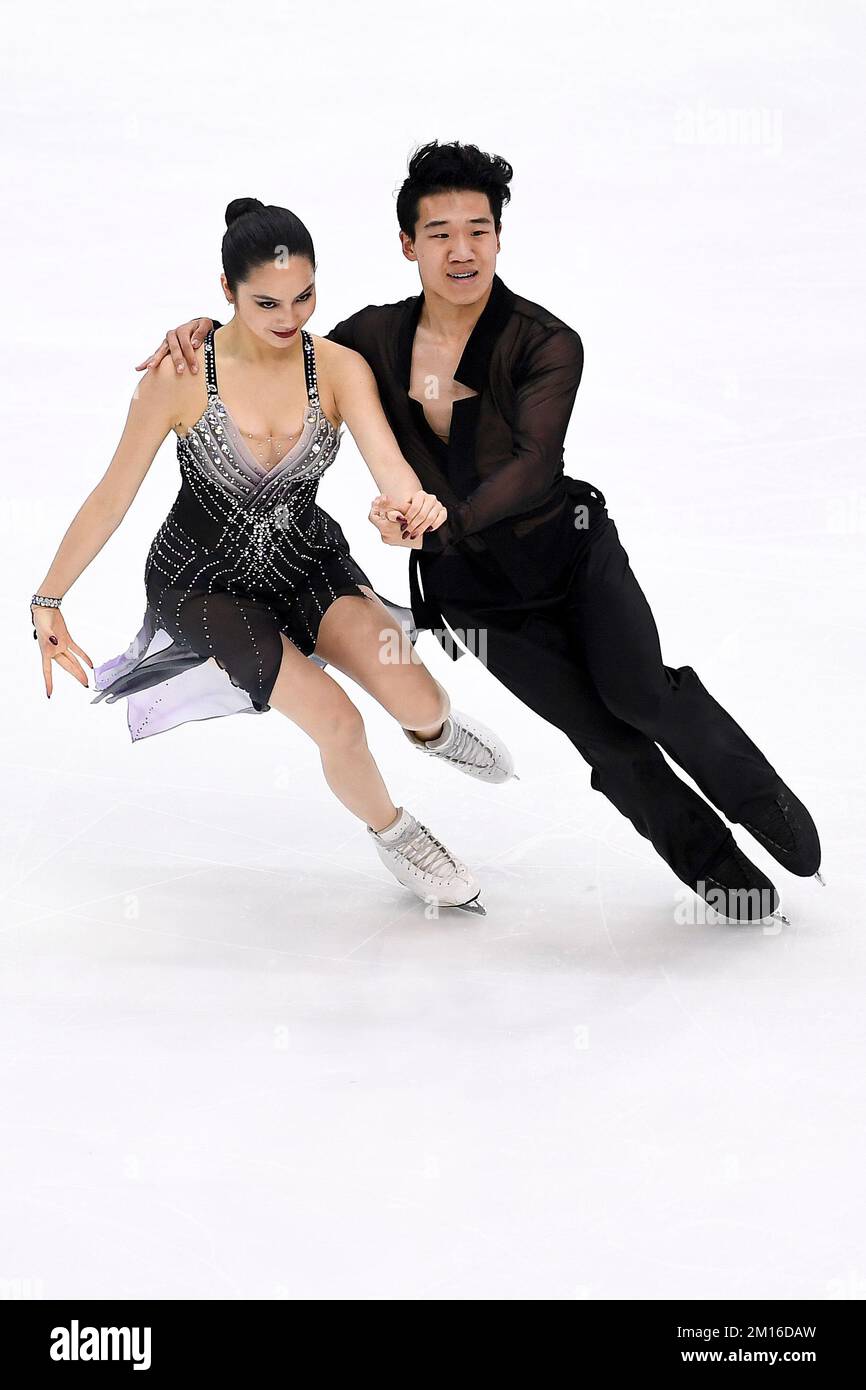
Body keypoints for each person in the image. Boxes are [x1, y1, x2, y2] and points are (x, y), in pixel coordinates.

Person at [138, 145, 824, 926]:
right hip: (476, 598)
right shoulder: (369, 341)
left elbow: (536, 465)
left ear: (499, 237)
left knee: (642, 695)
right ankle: (717, 871)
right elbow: (274, 333)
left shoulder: (545, 340)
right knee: (601, 738)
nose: (460, 249)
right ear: (409, 245)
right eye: (439, 233)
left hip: (572, 556)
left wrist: (436, 517)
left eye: (478, 230)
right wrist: (203, 328)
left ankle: (757, 794)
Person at [31, 196, 520, 915]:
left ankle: (435, 730)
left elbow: (394, 475)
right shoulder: (178, 375)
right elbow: (111, 497)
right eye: (266, 302)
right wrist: (48, 597)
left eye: (305, 296)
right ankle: (395, 831)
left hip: (303, 562)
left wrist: (407, 511)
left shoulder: (341, 369)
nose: (290, 317)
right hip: (202, 584)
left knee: (418, 693)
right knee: (338, 721)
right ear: (225, 291)